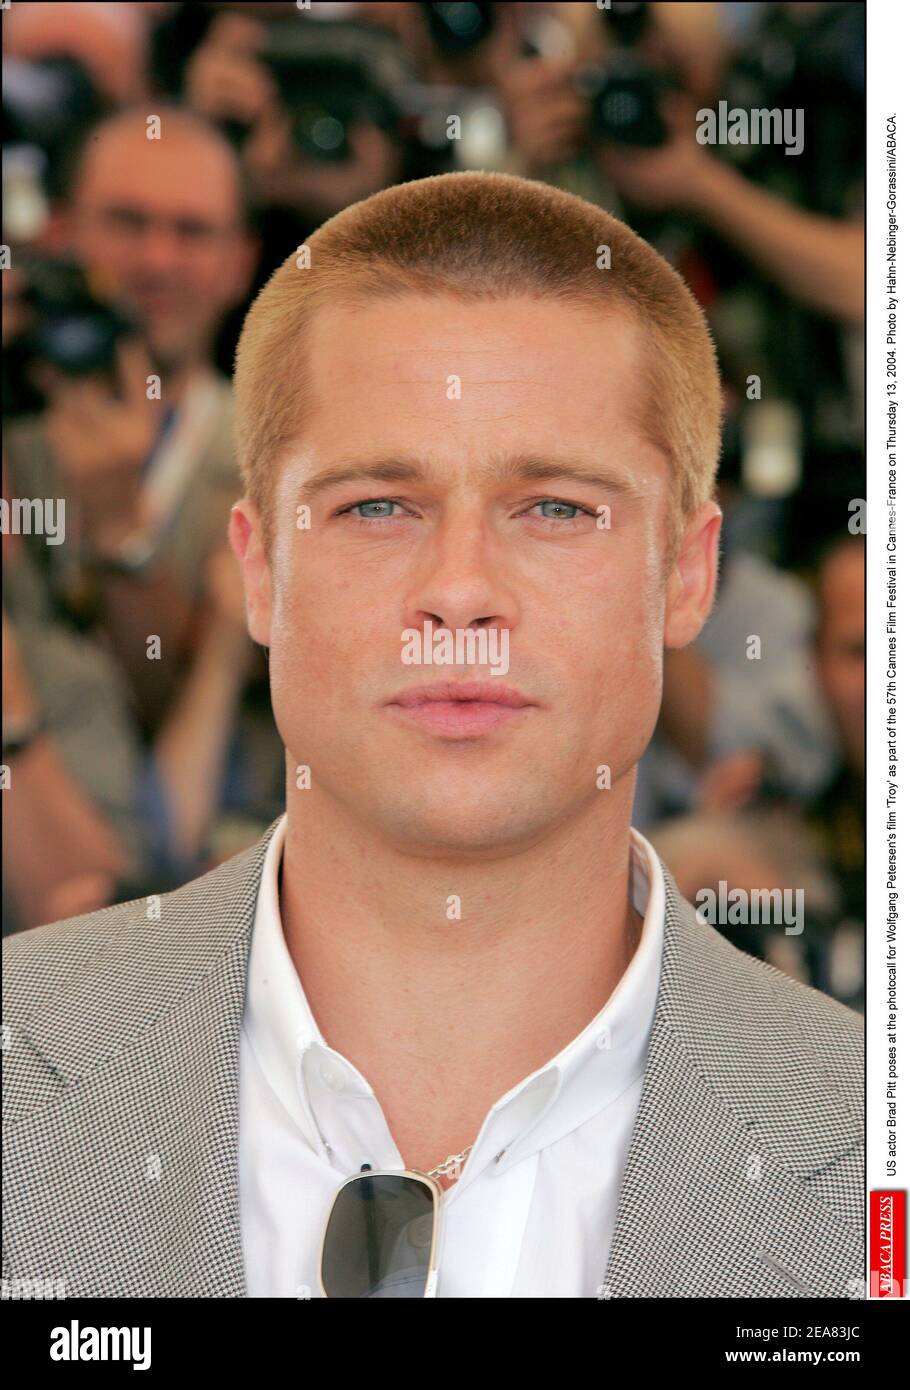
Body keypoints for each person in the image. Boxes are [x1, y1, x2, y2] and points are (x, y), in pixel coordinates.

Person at [2, 171, 862, 1299]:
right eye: (377, 505)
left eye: (555, 507)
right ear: (258, 569)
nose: (460, 592)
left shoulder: (867, 1150)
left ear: (686, 573)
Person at [4, 104, 256, 729]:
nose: (157, 260)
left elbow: (174, 730)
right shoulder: (10, 420)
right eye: (126, 222)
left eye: (192, 232)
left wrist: (124, 533)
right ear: (58, 232)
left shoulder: (275, 459)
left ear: (239, 263)